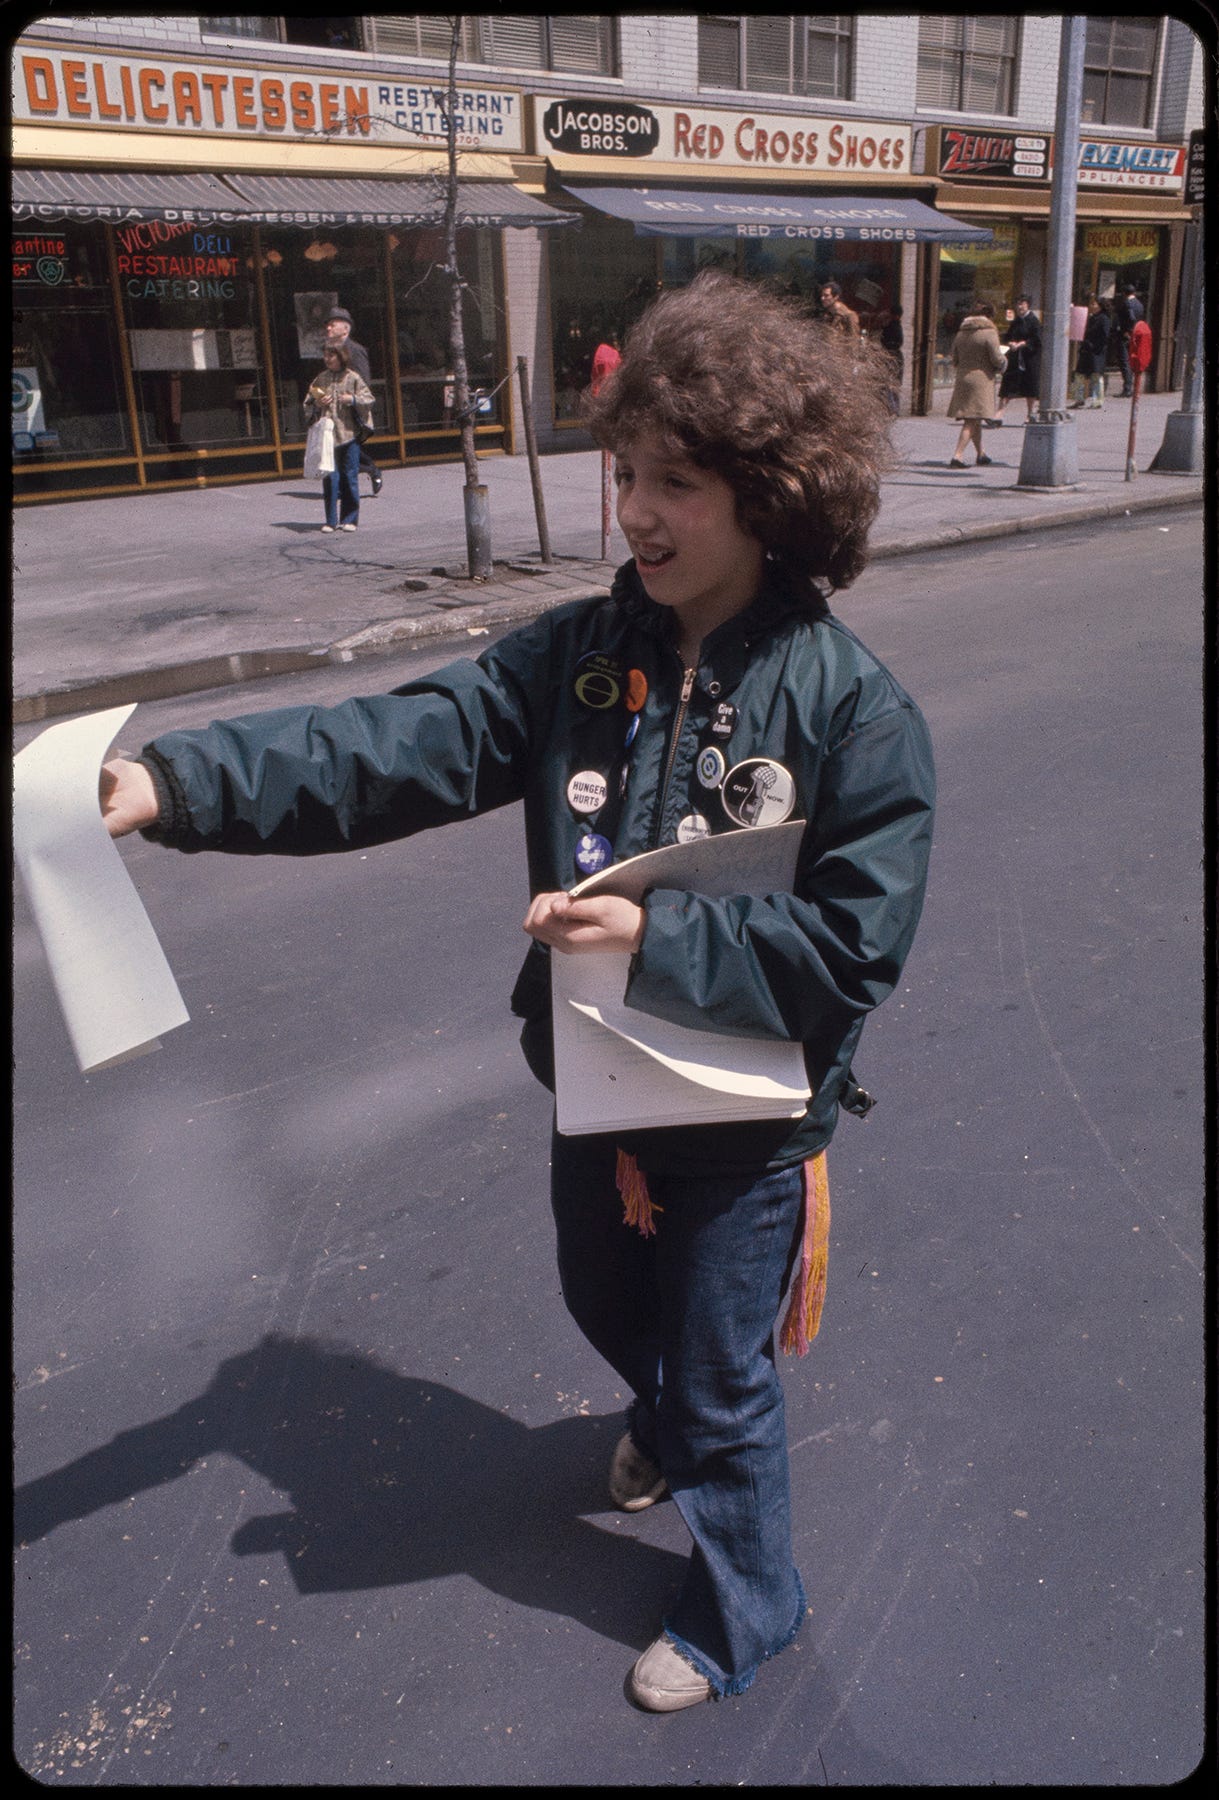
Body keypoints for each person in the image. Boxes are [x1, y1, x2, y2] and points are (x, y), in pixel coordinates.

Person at [98, 271, 935, 1714]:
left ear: (770, 492)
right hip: (596, 1099)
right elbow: (382, 746)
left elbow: (851, 956)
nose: (638, 514)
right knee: (605, 1301)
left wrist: (642, 945)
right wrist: (168, 783)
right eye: (625, 474)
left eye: (677, 484)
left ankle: (747, 1608)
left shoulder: (852, 709)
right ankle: (662, 1420)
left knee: (722, 1374)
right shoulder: (571, 659)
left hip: (742, 1128)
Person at [304, 343, 374, 532]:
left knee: (350, 477)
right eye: (325, 356)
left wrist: (352, 400)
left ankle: (350, 519)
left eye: (331, 356)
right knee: (330, 478)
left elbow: (369, 399)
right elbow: (308, 402)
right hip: (328, 437)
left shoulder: (353, 378)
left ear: (341, 357)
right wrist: (318, 403)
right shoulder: (321, 378)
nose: (327, 359)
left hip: (349, 435)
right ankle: (331, 520)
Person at [324, 307, 382, 496]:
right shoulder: (331, 351)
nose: (328, 329)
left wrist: (353, 399)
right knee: (340, 448)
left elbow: (364, 382)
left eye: (333, 325)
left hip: (351, 410)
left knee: (346, 447)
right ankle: (362, 475)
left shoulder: (355, 351)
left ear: (345, 329)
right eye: (328, 325)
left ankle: (369, 471)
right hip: (335, 409)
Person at [947, 301, 1007, 468]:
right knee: (972, 420)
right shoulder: (989, 333)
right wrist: (1003, 362)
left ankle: (981, 454)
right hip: (981, 380)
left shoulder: (961, 332)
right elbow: (996, 358)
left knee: (975, 416)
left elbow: (955, 358)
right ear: (989, 316)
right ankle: (957, 456)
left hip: (963, 378)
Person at [993, 295, 1041, 424]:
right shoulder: (1016, 321)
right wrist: (1011, 343)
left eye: (1022, 304)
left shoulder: (1034, 321)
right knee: (1007, 385)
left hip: (1029, 359)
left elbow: (1037, 340)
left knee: (1030, 387)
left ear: (1028, 305)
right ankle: (999, 414)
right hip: (1014, 358)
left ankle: (1030, 414)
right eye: (1018, 304)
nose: (1020, 307)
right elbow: (1008, 336)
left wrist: (1023, 344)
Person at [1071, 295, 1111, 409]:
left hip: (1096, 352)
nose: (1092, 306)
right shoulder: (1091, 317)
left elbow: (1105, 336)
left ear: (1100, 306)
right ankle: (1078, 399)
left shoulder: (1104, 318)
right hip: (1086, 351)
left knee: (1096, 376)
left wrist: (1094, 345)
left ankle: (1097, 401)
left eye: (1094, 304)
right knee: (1079, 375)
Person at [1112, 286, 1145, 397]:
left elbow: (1131, 317)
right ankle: (1130, 387)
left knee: (1124, 361)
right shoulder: (1140, 304)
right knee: (1130, 361)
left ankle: (1127, 388)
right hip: (1135, 335)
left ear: (1124, 293)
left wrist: (1128, 331)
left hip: (1125, 335)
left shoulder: (1127, 304)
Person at [879, 304, 904, 415]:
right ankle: (894, 408)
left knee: (889, 382)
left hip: (890, 356)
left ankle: (892, 408)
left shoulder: (891, 326)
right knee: (894, 383)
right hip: (896, 356)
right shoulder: (898, 326)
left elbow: (885, 340)